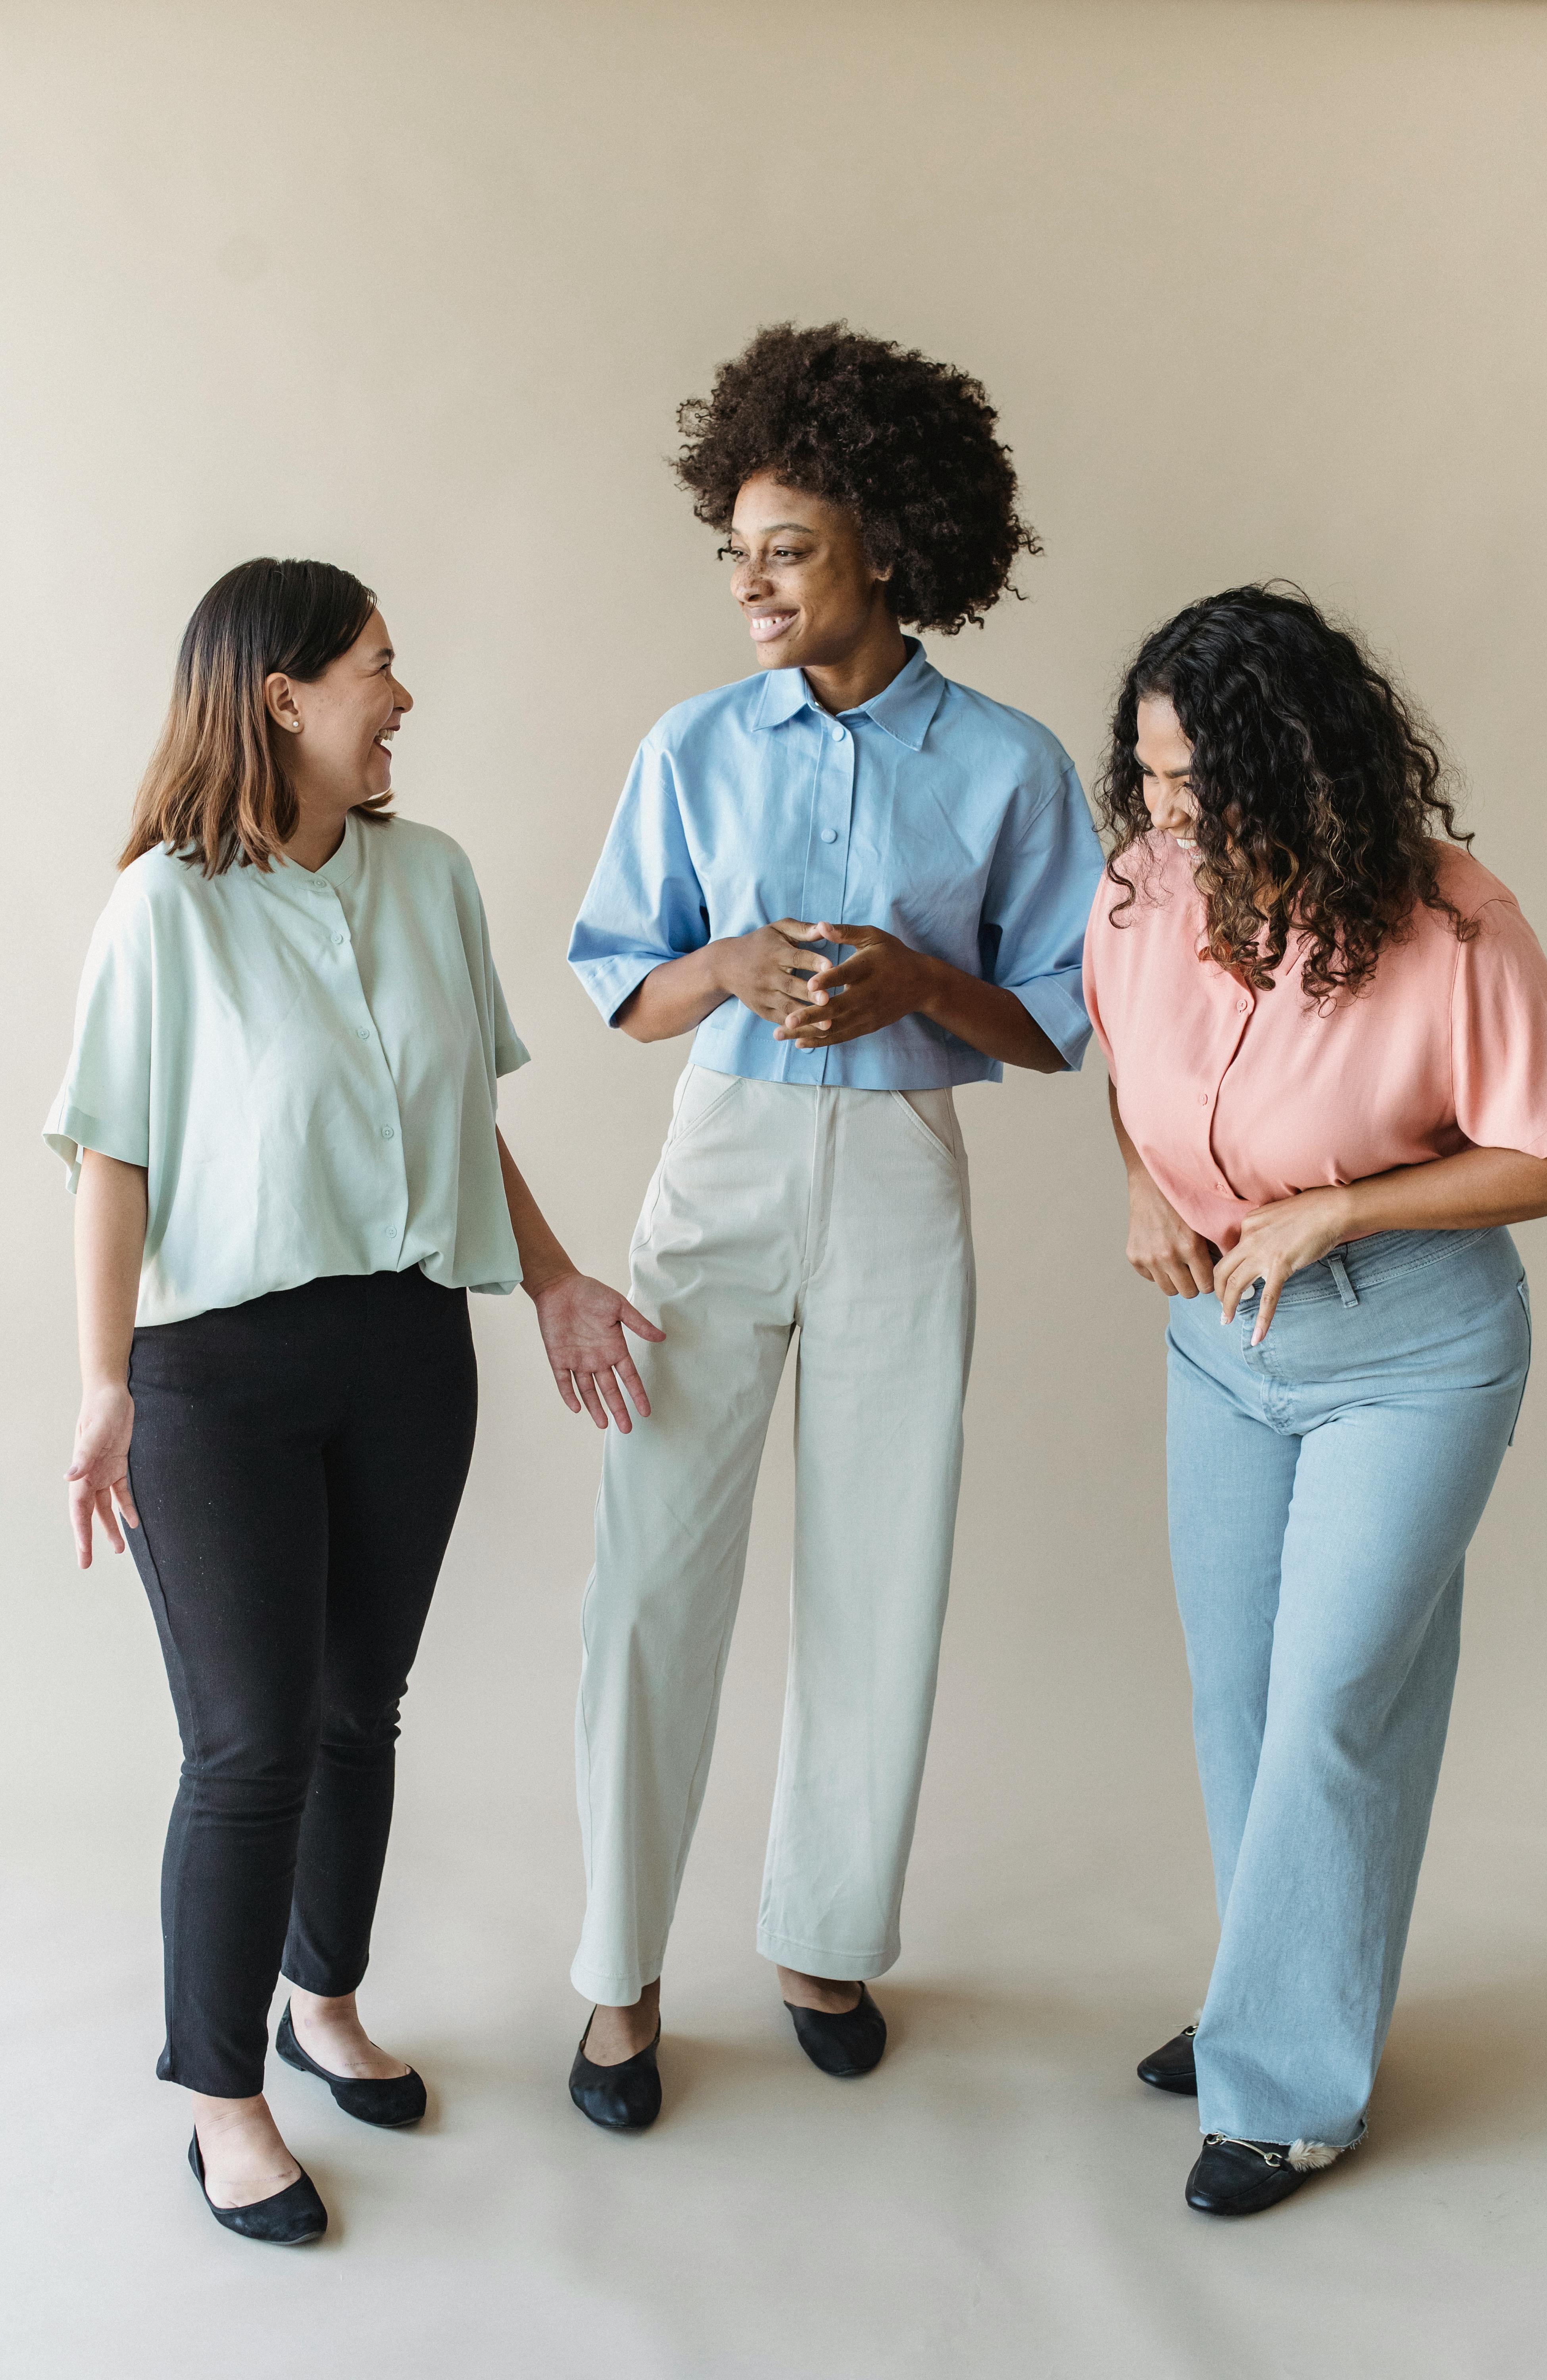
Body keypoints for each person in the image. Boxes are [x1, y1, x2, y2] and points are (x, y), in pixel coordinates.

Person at [50, 558, 658, 2243]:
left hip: (404, 1353)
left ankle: (323, 2003)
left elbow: (467, 1121)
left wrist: (550, 1281)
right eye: (380, 668)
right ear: (283, 697)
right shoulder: (164, 909)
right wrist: (103, 1386)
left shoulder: (434, 879)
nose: (403, 697)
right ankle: (219, 2097)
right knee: (246, 1748)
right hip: (217, 1377)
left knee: (353, 1714)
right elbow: (113, 1160)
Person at [563, 322, 1103, 2130]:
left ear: (883, 537)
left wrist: (919, 986)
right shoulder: (692, 746)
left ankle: (819, 1938)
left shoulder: (1011, 766)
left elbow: (1058, 1021)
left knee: (882, 1575)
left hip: (896, 1178)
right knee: (652, 1570)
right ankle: (619, 1976)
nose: (753, 584)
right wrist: (724, 962)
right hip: (716, 1165)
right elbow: (618, 988)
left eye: (785, 547)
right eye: (737, 552)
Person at [1084, 584, 1547, 2216]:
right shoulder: (1146, 889)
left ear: (1286, 765)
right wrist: (1147, 1188)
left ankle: (1287, 2092)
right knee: (1238, 1701)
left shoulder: (1447, 920)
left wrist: (1342, 1210)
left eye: (1189, 782)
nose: (1159, 813)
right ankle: (1270, 2000)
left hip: (1410, 1354)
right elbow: (1124, 1065)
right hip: (1223, 1348)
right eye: (1147, 777)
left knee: (1329, 1707)